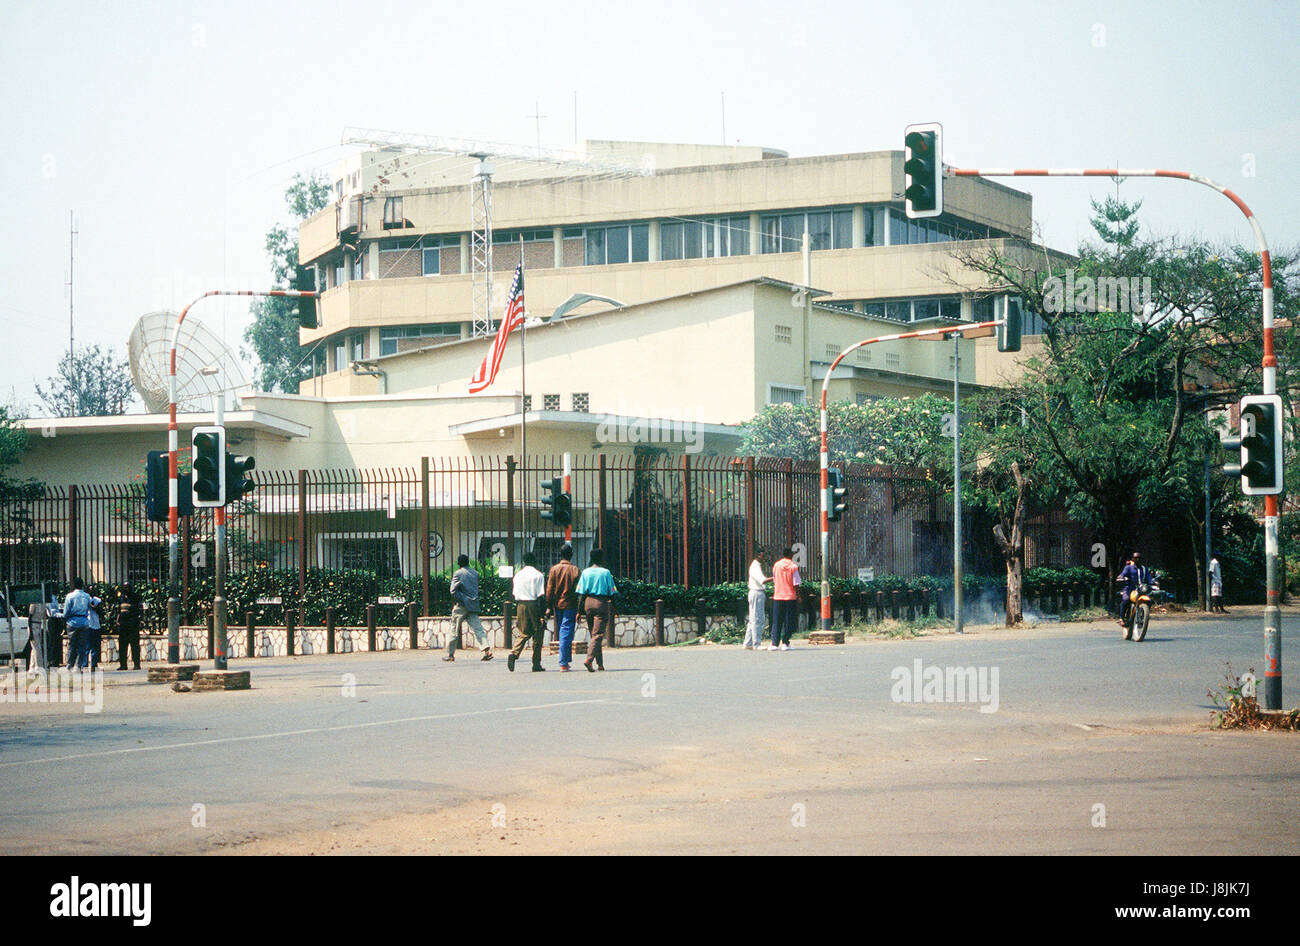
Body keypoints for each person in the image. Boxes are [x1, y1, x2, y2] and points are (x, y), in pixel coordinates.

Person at [443, 554, 493, 662]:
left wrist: (461, 598)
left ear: (459, 563)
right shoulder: (475, 573)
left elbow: (452, 591)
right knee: (478, 629)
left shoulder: (458, 573)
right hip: (473, 605)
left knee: (454, 630)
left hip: (461, 606)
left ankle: (450, 655)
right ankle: (487, 650)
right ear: (467, 562)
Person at [575, 549, 618, 672]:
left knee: (593, 635)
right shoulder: (606, 573)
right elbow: (612, 592)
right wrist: (615, 608)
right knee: (598, 635)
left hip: (588, 603)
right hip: (601, 603)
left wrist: (579, 611)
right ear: (601, 558)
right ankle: (589, 659)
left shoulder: (585, 572)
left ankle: (600, 664)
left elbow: (581, 594)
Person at [544, 543, 581, 671]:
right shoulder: (575, 570)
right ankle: (563, 662)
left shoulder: (554, 569)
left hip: (557, 605)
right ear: (571, 555)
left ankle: (566, 659)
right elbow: (579, 591)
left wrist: (548, 605)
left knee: (562, 631)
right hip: (570, 605)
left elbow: (549, 589)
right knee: (566, 632)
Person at [508, 553, 546, 672]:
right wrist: (542, 613)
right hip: (533, 604)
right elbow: (540, 595)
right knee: (538, 633)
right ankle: (536, 663)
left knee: (523, 632)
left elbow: (514, 594)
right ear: (534, 561)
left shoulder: (518, 575)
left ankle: (514, 653)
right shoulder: (538, 575)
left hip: (521, 605)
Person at [59, 578, 101, 671]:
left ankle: (69, 665)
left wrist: (65, 617)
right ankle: (79, 666)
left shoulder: (70, 596)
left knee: (72, 645)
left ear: (74, 585)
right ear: (82, 585)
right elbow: (93, 605)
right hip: (84, 622)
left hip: (72, 622)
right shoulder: (86, 596)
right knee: (82, 645)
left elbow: (66, 612)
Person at [769, 547, 801, 651]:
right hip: (790, 597)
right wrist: (799, 596)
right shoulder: (793, 566)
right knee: (789, 621)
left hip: (778, 596)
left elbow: (774, 579)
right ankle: (785, 642)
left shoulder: (776, 565)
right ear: (791, 555)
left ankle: (774, 643)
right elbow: (796, 583)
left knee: (777, 620)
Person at [745, 548, 771, 650]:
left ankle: (748, 643)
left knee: (753, 619)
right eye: (762, 556)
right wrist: (775, 577)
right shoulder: (755, 567)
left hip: (757, 593)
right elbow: (762, 580)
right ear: (757, 556)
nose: (764, 558)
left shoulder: (757, 566)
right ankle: (756, 643)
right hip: (756, 592)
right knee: (758, 619)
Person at [1116, 551, 1151, 625]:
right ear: (1133, 559)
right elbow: (1123, 574)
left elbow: (1149, 577)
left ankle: (1143, 616)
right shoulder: (1128, 568)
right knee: (1126, 600)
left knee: (1149, 601)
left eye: (1139, 558)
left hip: (1141, 589)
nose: (1137, 559)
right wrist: (1121, 577)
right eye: (1135, 558)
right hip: (1130, 588)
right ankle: (1121, 618)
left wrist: (1153, 582)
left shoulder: (1145, 569)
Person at [117, 581, 142, 670]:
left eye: (128, 587)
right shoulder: (121, 597)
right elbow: (118, 610)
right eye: (124, 587)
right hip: (123, 624)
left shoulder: (135, 597)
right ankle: (123, 665)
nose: (126, 589)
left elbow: (139, 610)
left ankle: (136, 664)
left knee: (134, 645)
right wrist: (117, 620)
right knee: (122, 645)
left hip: (132, 624)